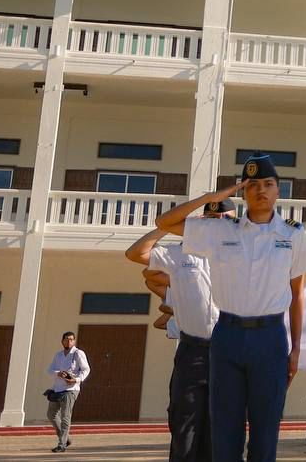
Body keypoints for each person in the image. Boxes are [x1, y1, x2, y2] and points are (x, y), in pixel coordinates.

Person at [154, 155, 306, 462]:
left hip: (270, 338)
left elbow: (298, 294)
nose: (261, 190)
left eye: (268, 184)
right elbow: (165, 223)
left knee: (265, 433)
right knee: (225, 432)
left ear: (278, 190)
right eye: (252, 185)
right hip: (227, 336)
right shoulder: (221, 231)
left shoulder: (293, 234)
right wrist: (211, 197)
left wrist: (296, 349)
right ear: (242, 192)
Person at [127, 198, 231, 462]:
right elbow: (136, 253)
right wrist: (170, 227)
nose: (218, 225)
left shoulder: (243, 258)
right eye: (211, 220)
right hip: (193, 353)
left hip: (229, 354)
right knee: (184, 428)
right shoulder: (181, 253)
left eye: (226, 220)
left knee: (221, 430)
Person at [46, 331, 90, 454]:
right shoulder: (58, 355)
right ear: (62, 341)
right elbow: (50, 370)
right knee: (51, 414)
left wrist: (76, 380)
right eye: (66, 339)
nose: (69, 342)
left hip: (71, 389)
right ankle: (66, 439)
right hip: (57, 388)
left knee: (65, 416)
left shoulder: (78, 353)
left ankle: (61, 444)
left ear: (74, 341)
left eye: (71, 339)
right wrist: (58, 373)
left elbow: (86, 369)